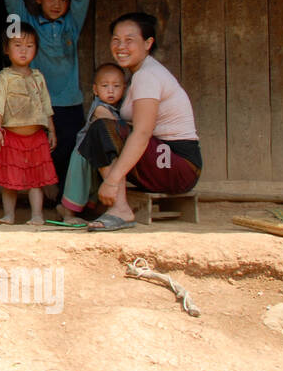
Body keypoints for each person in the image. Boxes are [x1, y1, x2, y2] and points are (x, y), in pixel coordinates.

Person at [82, 13, 202, 231]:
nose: (121, 46)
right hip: (165, 159)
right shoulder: (138, 74)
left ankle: (120, 209)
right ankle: (113, 204)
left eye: (130, 40)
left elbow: (142, 133)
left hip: (177, 165)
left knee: (101, 129)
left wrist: (111, 181)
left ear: (148, 43)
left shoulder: (147, 75)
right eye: (116, 40)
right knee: (102, 126)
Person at [2, 0, 90, 195]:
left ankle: (67, 198)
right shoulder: (30, 26)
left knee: (70, 151)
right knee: (39, 151)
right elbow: (11, 0)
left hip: (70, 102)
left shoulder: (71, 25)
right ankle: (39, 201)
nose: (57, 5)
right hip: (39, 104)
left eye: (63, 0)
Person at [0, 22, 59, 226]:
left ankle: (37, 215)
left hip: (37, 137)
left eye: (29, 45)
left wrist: (51, 130)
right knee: (9, 180)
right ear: (6, 49)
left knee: (36, 180)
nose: (23, 50)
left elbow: (47, 106)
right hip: (10, 136)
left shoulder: (38, 77)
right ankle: (9, 215)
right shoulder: (4, 77)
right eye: (18, 45)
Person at [56, 63, 127, 225]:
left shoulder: (119, 107)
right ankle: (68, 215)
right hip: (83, 154)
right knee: (78, 185)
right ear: (95, 90)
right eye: (105, 86)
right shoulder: (99, 108)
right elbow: (114, 125)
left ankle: (64, 209)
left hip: (96, 155)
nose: (110, 90)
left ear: (124, 88)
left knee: (92, 187)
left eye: (116, 86)